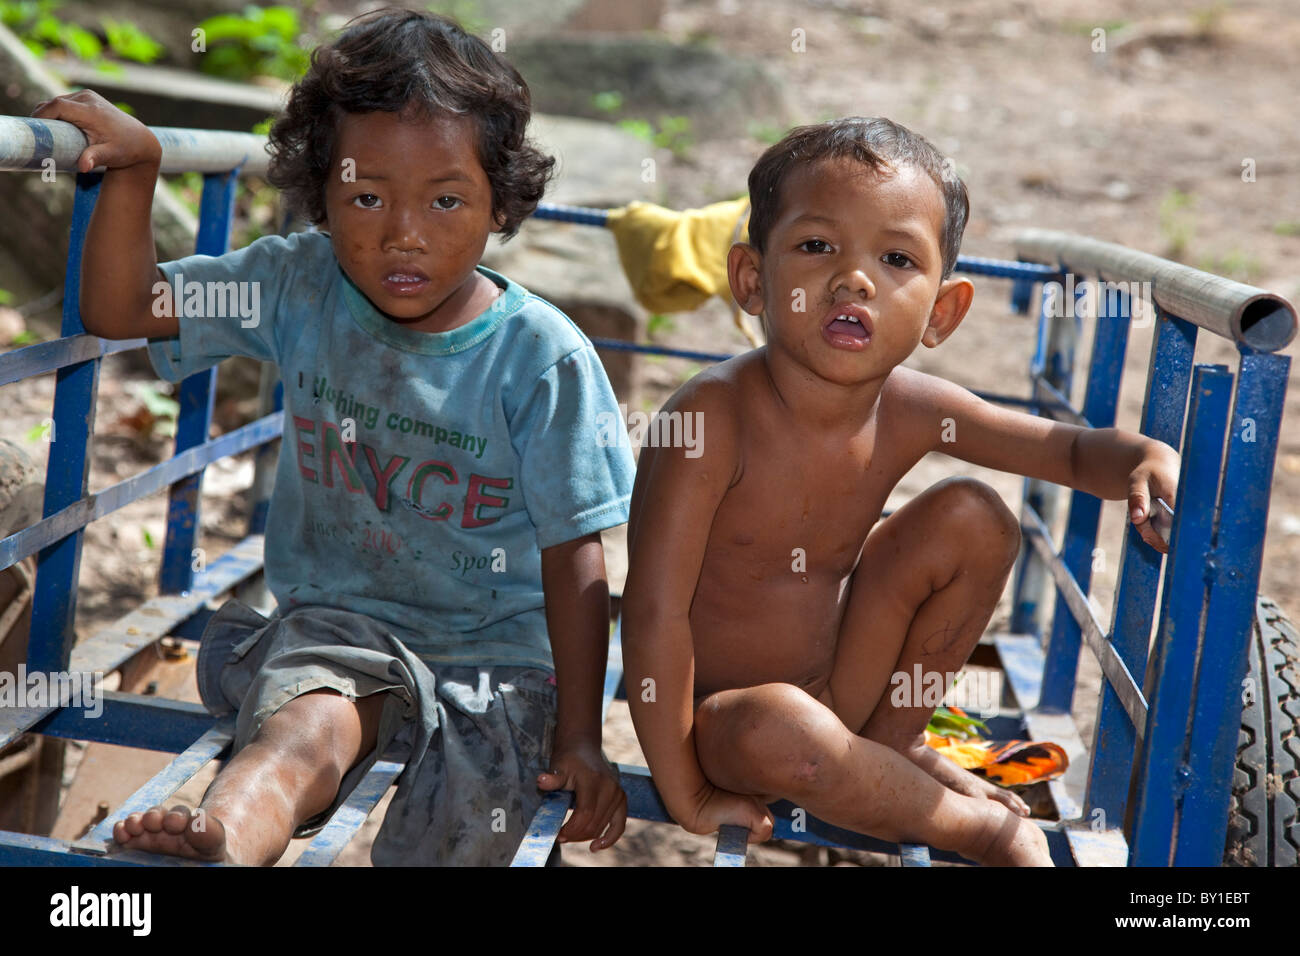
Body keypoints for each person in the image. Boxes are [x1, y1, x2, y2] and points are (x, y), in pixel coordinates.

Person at [35, 9, 633, 865]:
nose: (403, 232)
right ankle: (223, 838)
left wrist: (581, 735)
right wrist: (137, 170)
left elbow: (577, 557)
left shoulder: (541, 359)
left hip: (498, 664)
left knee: (463, 835)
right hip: (338, 630)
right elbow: (124, 308)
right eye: (365, 196)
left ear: (501, 202)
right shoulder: (294, 285)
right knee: (299, 729)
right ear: (319, 195)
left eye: (446, 199)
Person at [621, 117, 1180, 866]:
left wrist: (1145, 455)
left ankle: (891, 748)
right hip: (729, 725)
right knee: (782, 728)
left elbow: (1071, 452)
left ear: (941, 313)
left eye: (895, 258)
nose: (854, 279)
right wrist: (683, 788)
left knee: (976, 517)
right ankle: (972, 828)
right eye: (817, 247)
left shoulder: (914, 409)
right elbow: (654, 610)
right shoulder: (707, 418)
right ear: (753, 280)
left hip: (842, 695)